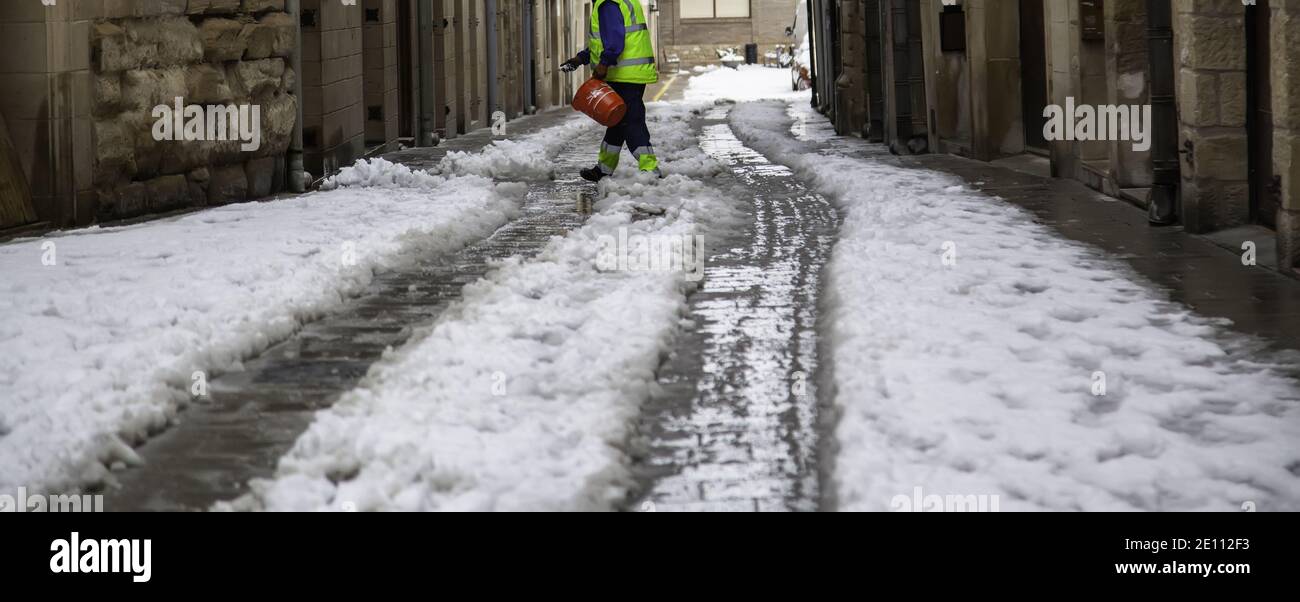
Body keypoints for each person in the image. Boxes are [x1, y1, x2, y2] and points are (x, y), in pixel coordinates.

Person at [560, 0, 659, 181]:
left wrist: (604, 63)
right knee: (616, 122)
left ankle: (650, 168)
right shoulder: (618, 2)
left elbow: (613, 40)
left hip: (624, 75)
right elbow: (604, 41)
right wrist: (580, 59)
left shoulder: (608, 4)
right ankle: (603, 169)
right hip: (629, 74)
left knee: (631, 122)